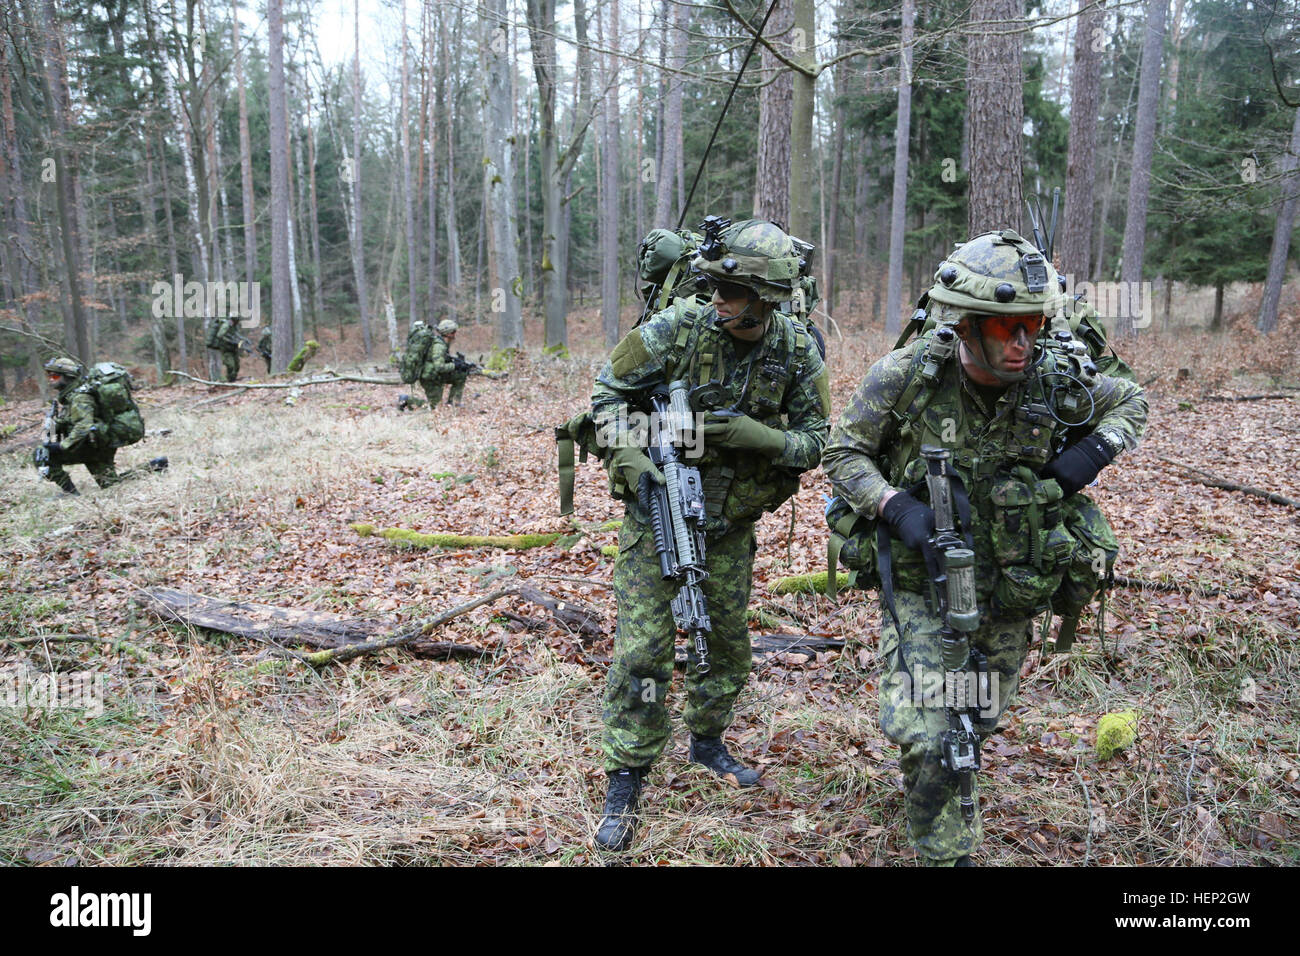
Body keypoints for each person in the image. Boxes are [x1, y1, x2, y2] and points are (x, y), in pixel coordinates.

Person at [821, 229, 1148, 865]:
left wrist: (1086, 456)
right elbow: (843, 452)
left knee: (978, 718)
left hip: (1012, 581)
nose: (1023, 343)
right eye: (1006, 330)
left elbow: (1131, 401)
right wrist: (899, 507)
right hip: (922, 577)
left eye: (1032, 325)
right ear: (966, 326)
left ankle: (941, 785)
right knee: (928, 733)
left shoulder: (1058, 377)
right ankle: (947, 852)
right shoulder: (908, 376)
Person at [591, 218, 831, 852]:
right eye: (714, 287)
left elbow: (820, 442)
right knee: (643, 649)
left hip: (729, 526)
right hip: (658, 512)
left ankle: (706, 740)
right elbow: (608, 389)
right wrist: (630, 459)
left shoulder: (797, 351)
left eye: (731, 291)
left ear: (766, 297)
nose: (717, 299)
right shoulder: (678, 327)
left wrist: (765, 439)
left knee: (722, 644)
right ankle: (627, 769)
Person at [36, 357, 167, 495]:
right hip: (100, 443)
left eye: (55, 375)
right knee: (110, 484)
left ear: (68, 377)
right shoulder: (75, 395)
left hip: (92, 446)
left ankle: (71, 494)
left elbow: (83, 425)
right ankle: (156, 465)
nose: (51, 379)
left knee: (43, 455)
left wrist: (62, 446)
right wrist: (53, 426)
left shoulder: (80, 397)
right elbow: (73, 419)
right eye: (49, 376)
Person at [399, 319, 468, 410]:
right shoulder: (439, 346)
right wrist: (455, 366)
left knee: (461, 375)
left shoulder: (441, 342)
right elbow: (439, 367)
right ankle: (407, 400)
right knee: (433, 407)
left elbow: (439, 360)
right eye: (454, 332)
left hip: (435, 375)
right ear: (449, 333)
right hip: (430, 378)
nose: (455, 334)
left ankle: (454, 403)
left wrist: (456, 363)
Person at [207, 316, 246, 382]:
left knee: (237, 366)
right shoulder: (226, 325)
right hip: (226, 349)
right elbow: (219, 335)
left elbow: (236, 335)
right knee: (230, 365)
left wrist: (239, 342)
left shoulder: (234, 327)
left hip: (234, 348)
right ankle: (228, 380)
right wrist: (229, 340)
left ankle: (232, 380)